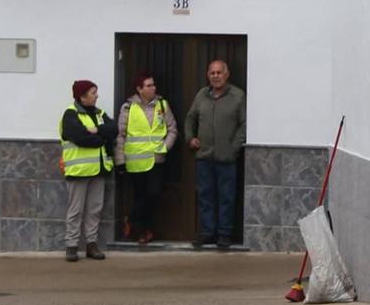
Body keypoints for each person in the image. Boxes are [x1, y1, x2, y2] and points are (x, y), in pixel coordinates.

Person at [185, 59, 246, 249]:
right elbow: (190, 118)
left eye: (219, 73)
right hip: (204, 157)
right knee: (205, 196)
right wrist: (190, 138)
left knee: (227, 197)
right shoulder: (202, 95)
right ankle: (207, 233)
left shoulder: (237, 96)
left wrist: (233, 147)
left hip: (227, 158)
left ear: (226, 74)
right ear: (208, 75)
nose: (216, 76)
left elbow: (244, 124)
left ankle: (224, 234)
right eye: (212, 73)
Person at [116, 72, 176, 245]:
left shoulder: (162, 105)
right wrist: (120, 161)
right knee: (140, 196)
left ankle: (131, 219)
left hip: (156, 159)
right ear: (139, 89)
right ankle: (144, 231)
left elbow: (172, 129)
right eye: (149, 85)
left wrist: (165, 147)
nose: (153, 88)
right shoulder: (128, 107)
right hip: (135, 161)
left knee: (153, 193)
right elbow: (121, 135)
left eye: (153, 85)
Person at [59, 79, 116, 263]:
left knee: (94, 209)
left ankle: (92, 244)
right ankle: (72, 246)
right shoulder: (70, 115)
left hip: (98, 171)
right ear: (82, 97)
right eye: (93, 93)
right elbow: (79, 137)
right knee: (75, 210)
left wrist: (96, 130)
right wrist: (100, 139)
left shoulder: (99, 114)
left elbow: (113, 129)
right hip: (78, 171)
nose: (97, 95)